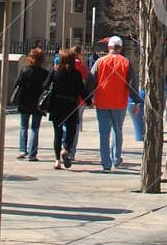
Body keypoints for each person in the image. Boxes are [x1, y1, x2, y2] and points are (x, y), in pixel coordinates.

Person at [90, 35, 141, 171]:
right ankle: (116, 159)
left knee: (104, 133)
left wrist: (89, 98)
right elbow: (132, 83)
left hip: (102, 102)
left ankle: (106, 163)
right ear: (121, 48)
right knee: (117, 131)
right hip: (119, 102)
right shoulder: (126, 62)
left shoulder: (100, 62)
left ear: (109, 47)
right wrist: (136, 101)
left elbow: (91, 80)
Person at [46, 49, 87, 167]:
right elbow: (82, 91)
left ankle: (57, 161)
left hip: (56, 105)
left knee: (57, 133)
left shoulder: (55, 72)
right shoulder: (76, 74)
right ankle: (66, 149)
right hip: (71, 105)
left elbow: (45, 85)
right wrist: (89, 101)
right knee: (71, 131)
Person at [11, 46, 50, 161]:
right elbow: (47, 87)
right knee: (35, 128)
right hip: (38, 103)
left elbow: (16, 84)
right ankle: (32, 153)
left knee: (23, 126)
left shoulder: (24, 70)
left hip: (24, 101)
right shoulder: (45, 72)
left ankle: (22, 150)